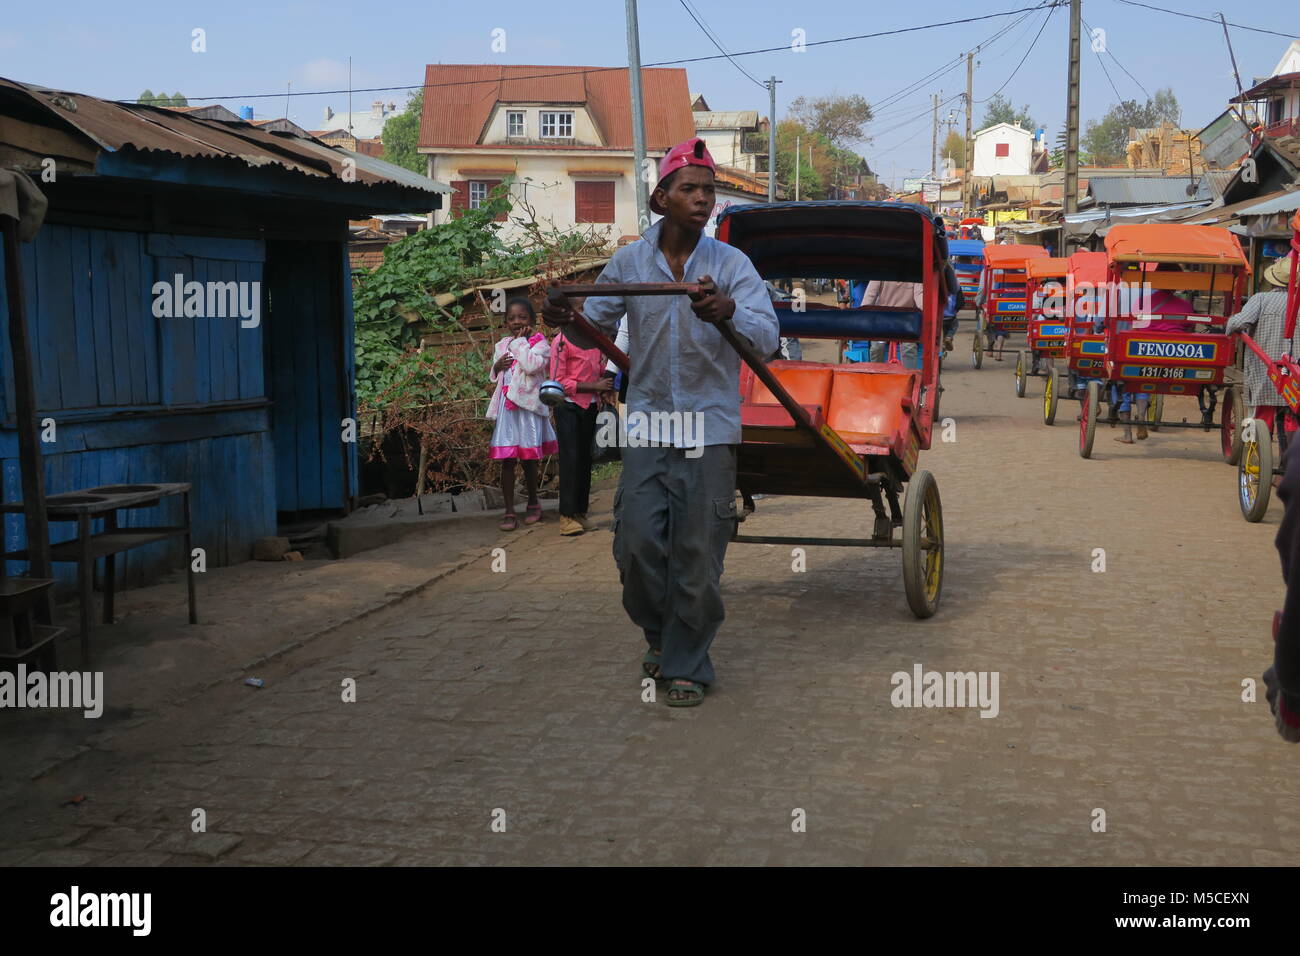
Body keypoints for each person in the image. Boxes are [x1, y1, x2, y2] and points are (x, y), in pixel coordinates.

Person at [542, 136, 779, 707]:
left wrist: (731, 310)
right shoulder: (628, 262)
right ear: (661, 199)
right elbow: (588, 329)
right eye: (690, 189)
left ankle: (686, 663)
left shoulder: (731, 265)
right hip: (647, 425)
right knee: (637, 546)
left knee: (698, 555)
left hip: (710, 428)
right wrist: (561, 316)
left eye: (709, 191)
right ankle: (662, 635)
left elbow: (768, 339)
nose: (702, 200)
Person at [488, 297, 557, 530]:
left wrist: (519, 344)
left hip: (529, 410)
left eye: (522, 317)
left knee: (529, 459)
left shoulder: (540, 344)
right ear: (505, 321)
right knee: (507, 460)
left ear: (532, 320)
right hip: (508, 412)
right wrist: (496, 368)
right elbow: (496, 371)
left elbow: (530, 366)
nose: (517, 321)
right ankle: (509, 511)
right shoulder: (501, 345)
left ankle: (533, 503)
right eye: (511, 318)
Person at [548, 306, 614, 536]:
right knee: (570, 459)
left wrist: (604, 386)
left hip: (590, 406)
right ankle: (566, 516)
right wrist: (593, 386)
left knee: (586, 461)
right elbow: (558, 381)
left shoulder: (595, 343)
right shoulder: (562, 342)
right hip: (568, 406)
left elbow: (600, 369)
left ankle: (580, 513)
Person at [1226, 257, 1299, 442]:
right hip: (1295, 373)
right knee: (1293, 416)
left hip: (1266, 371)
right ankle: (1290, 462)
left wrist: (1230, 325)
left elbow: (1239, 322)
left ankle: (1256, 456)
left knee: (1262, 415)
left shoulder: (1261, 299)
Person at [861, 278, 924, 366]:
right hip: (883, 320)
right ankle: (876, 373)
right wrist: (863, 314)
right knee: (877, 346)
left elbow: (919, 296)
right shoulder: (880, 273)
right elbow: (870, 295)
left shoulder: (914, 275)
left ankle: (909, 375)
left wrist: (926, 313)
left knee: (909, 347)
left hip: (906, 321)